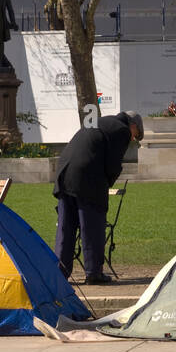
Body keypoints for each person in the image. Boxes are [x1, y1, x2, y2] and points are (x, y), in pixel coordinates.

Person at [53, 111, 142, 285]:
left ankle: (59, 272)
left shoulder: (101, 122)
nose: (132, 139)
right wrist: (107, 182)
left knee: (66, 226)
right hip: (87, 179)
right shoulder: (121, 129)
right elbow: (113, 163)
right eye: (136, 136)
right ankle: (94, 272)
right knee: (92, 225)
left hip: (65, 173)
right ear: (133, 126)